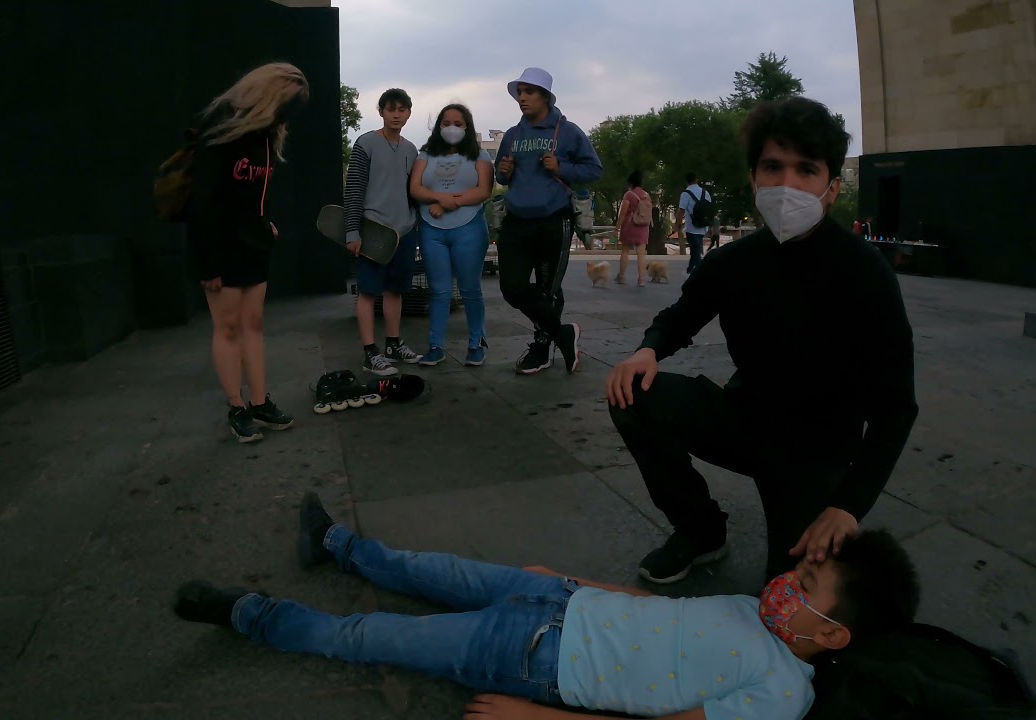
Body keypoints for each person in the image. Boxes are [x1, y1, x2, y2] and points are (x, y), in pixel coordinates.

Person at [174, 492, 920, 720]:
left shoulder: (781, 694)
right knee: (423, 567)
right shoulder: (755, 614)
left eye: (808, 591)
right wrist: (564, 577)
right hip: (552, 597)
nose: (786, 585)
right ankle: (334, 542)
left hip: (534, 661)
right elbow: (649, 608)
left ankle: (247, 614)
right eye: (799, 572)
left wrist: (539, 719)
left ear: (835, 633)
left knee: (372, 636)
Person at [605, 96, 918, 586]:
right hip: (745, 421)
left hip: (817, 452)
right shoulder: (734, 262)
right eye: (772, 166)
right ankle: (701, 531)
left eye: (806, 170)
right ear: (753, 178)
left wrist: (847, 507)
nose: (787, 184)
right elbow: (682, 315)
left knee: (789, 607)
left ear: (831, 188)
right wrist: (649, 348)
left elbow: (896, 406)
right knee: (631, 396)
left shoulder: (865, 273)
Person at [187, 62, 309, 443]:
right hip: (219, 244)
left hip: (253, 242)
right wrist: (206, 261)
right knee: (227, 327)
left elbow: (260, 188)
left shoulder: (268, 134)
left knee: (253, 325)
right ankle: (235, 406)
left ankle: (259, 402)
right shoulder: (220, 127)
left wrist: (267, 219)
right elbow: (202, 201)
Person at [493, 68, 602, 376]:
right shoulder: (513, 135)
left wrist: (562, 167)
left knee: (547, 290)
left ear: (545, 96)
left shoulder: (568, 132)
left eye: (528, 92)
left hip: (554, 221)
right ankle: (563, 332)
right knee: (512, 288)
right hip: (516, 221)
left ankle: (541, 350)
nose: (521, 98)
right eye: (519, 92)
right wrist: (503, 170)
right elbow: (501, 176)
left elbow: (594, 169)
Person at [345, 89, 422, 377]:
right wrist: (352, 231)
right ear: (381, 111)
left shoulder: (411, 149)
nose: (396, 114)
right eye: (391, 109)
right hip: (373, 229)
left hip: (403, 230)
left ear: (409, 113)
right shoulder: (365, 143)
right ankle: (370, 353)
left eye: (402, 109)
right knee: (367, 291)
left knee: (396, 290)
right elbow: (353, 190)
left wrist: (417, 225)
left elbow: (413, 193)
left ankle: (393, 344)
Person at [409, 103, 493, 367]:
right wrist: (439, 198)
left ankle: (476, 343)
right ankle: (435, 346)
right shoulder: (425, 154)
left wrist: (449, 203)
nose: (452, 128)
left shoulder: (479, 155)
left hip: (469, 228)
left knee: (470, 289)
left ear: (467, 126)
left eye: (458, 123)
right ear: (438, 127)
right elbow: (415, 188)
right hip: (432, 231)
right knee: (439, 290)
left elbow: (483, 190)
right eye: (446, 123)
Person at [615, 170, 651, 287]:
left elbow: (623, 213)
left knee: (625, 251)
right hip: (643, 227)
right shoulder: (646, 195)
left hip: (629, 226)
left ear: (630, 183)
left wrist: (617, 227)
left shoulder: (628, 195)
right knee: (641, 253)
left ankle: (621, 276)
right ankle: (641, 279)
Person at [677, 173, 710, 273]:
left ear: (686, 181)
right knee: (696, 249)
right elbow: (710, 210)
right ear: (696, 179)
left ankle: (699, 271)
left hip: (692, 226)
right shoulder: (706, 193)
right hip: (704, 226)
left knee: (695, 250)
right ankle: (690, 269)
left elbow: (681, 210)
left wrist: (677, 224)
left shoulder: (686, 194)